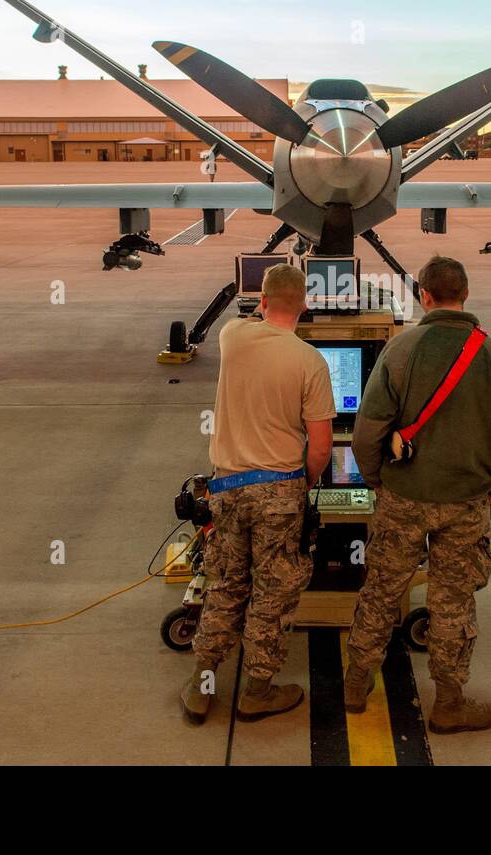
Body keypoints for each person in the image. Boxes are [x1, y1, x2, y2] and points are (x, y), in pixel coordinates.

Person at [345, 256, 491, 733]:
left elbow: (369, 428)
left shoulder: (402, 350)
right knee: (453, 601)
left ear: (423, 295)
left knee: (382, 589)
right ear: (464, 295)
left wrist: (377, 479)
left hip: (404, 496)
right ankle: (448, 701)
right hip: (467, 500)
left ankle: (355, 680)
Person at [180, 264, 335, 723]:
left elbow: (250, 315)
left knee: (226, 584)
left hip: (227, 487)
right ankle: (257, 691)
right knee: (272, 592)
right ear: (305, 306)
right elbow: (322, 446)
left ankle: (200, 687)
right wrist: (303, 483)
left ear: (262, 302)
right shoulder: (310, 361)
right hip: (280, 488)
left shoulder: (232, 336)